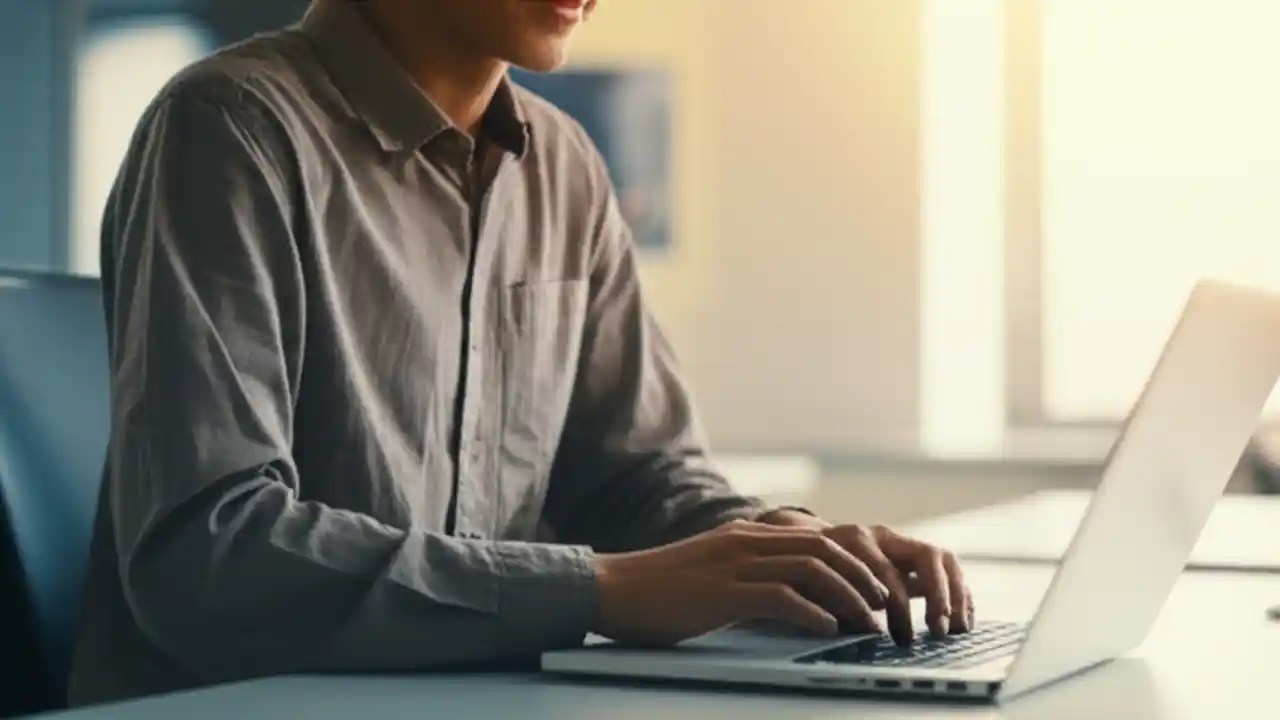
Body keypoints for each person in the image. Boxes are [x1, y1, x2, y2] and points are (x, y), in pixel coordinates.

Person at [69, 0, 974, 706]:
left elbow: (634, 480)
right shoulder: (231, 130)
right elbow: (207, 557)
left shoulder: (565, 166)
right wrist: (600, 591)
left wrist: (772, 550)